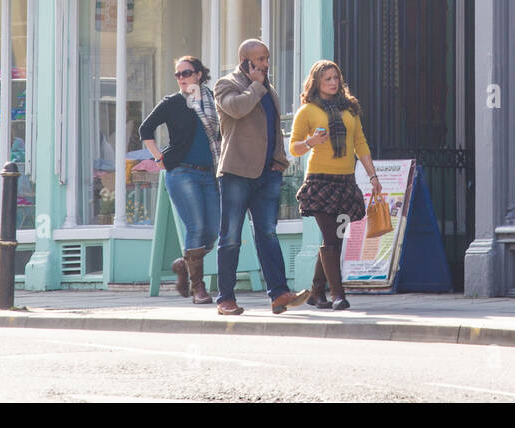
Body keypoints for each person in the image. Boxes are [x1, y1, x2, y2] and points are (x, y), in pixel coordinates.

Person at [211, 39, 310, 316]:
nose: (267, 64)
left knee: (267, 233)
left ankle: (279, 294)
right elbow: (237, 109)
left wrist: (280, 159)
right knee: (230, 236)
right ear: (245, 61)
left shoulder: (268, 88)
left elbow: (273, 128)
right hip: (236, 173)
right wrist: (255, 85)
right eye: (261, 59)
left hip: (268, 174)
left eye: (267, 58)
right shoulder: (226, 84)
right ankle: (225, 298)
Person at [289, 60, 380, 310]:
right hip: (319, 181)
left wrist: (373, 176)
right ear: (317, 82)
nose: (332, 83)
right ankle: (338, 294)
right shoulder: (307, 111)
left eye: (335, 78)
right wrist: (311, 141)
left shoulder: (350, 109)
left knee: (336, 240)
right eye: (327, 79)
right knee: (330, 237)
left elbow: (360, 143)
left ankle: (317, 292)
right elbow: (293, 147)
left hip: (345, 182)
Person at [140, 56, 222, 305]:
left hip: (210, 172)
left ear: (198, 74)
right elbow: (145, 129)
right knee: (196, 228)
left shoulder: (213, 101)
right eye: (178, 74)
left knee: (213, 230)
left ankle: (183, 264)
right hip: (182, 172)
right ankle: (199, 288)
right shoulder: (173, 103)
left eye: (186, 73)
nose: (182, 78)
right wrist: (158, 158)